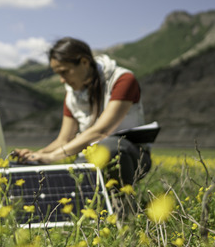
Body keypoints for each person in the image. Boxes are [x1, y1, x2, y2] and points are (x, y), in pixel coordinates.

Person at [12, 37, 151, 187]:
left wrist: (52, 157)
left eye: (64, 72)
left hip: (131, 155)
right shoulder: (71, 94)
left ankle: (122, 204)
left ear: (84, 62)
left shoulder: (123, 80)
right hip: (89, 156)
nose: (62, 80)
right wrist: (36, 156)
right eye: (58, 74)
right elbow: (63, 141)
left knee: (109, 146)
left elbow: (101, 131)